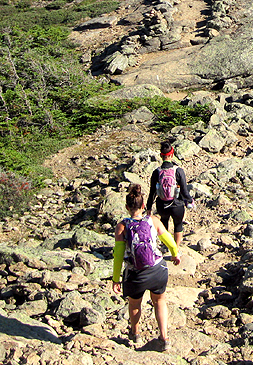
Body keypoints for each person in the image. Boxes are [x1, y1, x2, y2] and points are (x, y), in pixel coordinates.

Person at [112, 183, 180, 351]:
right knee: (160, 301)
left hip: (136, 275)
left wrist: (115, 279)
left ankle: (135, 333)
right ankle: (164, 337)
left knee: (135, 304)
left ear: (127, 207)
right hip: (157, 269)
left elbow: (118, 256)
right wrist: (175, 254)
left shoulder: (122, 226)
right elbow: (170, 242)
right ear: (143, 206)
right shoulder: (153, 220)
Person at [149, 141, 194, 248]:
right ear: (172, 155)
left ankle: (166, 246)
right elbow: (184, 190)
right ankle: (176, 249)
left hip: (162, 205)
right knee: (178, 225)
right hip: (176, 205)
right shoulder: (178, 170)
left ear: (161, 155)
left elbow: (152, 192)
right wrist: (190, 200)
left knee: (164, 223)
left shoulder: (157, 172)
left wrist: (149, 207)